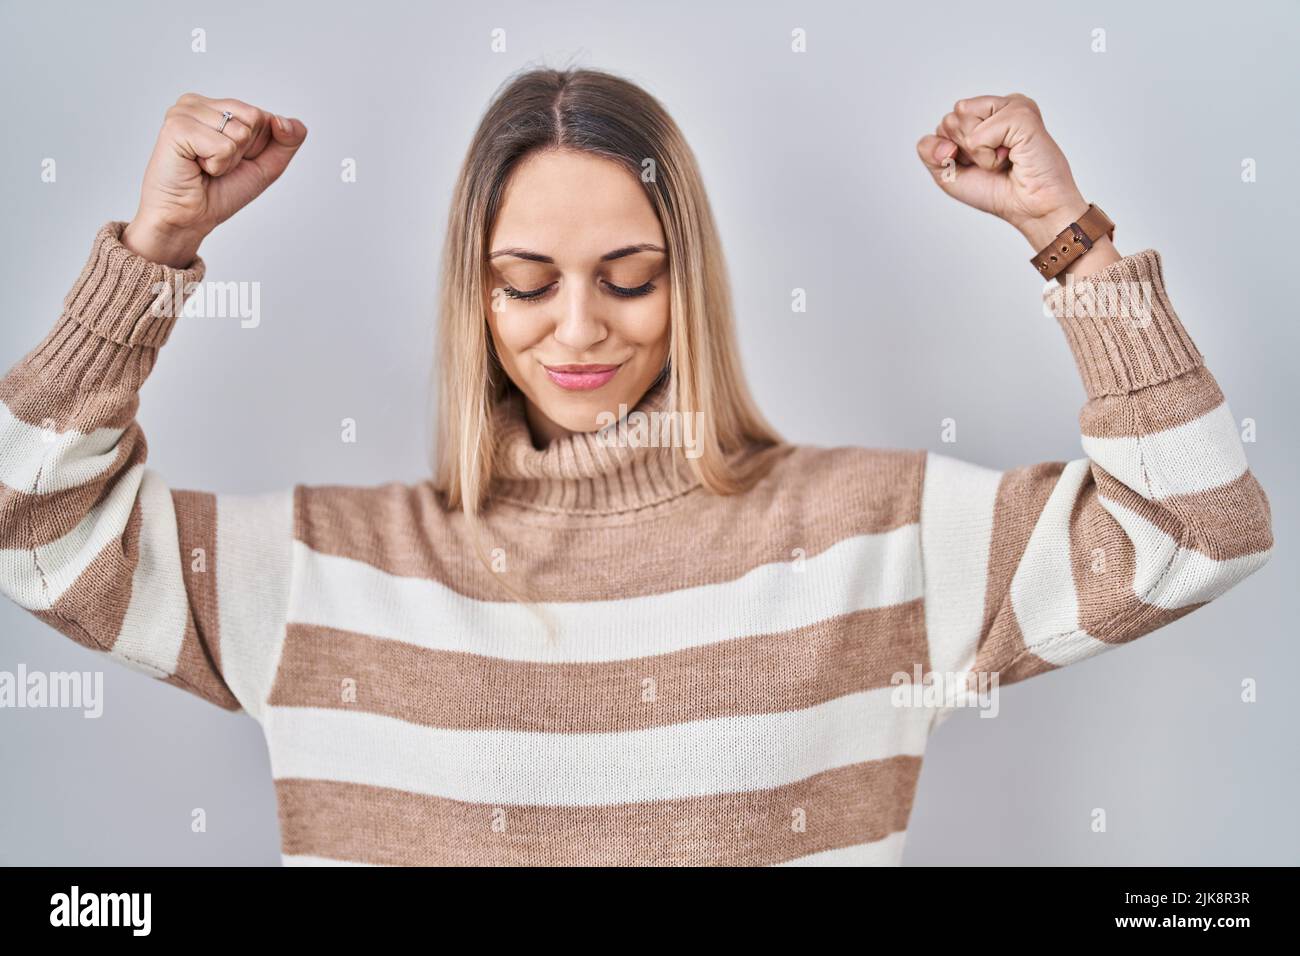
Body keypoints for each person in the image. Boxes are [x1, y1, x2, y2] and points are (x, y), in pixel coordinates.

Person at [0, 68, 1272, 866]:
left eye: (629, 278)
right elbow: (28, 524)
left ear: (691, 283)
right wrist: (154, 252)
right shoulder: (321, 569)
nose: (577, 329)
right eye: (524, 283)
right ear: (472, 297)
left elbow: (1196, 528)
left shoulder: (871, 536)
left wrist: (1067, 236)